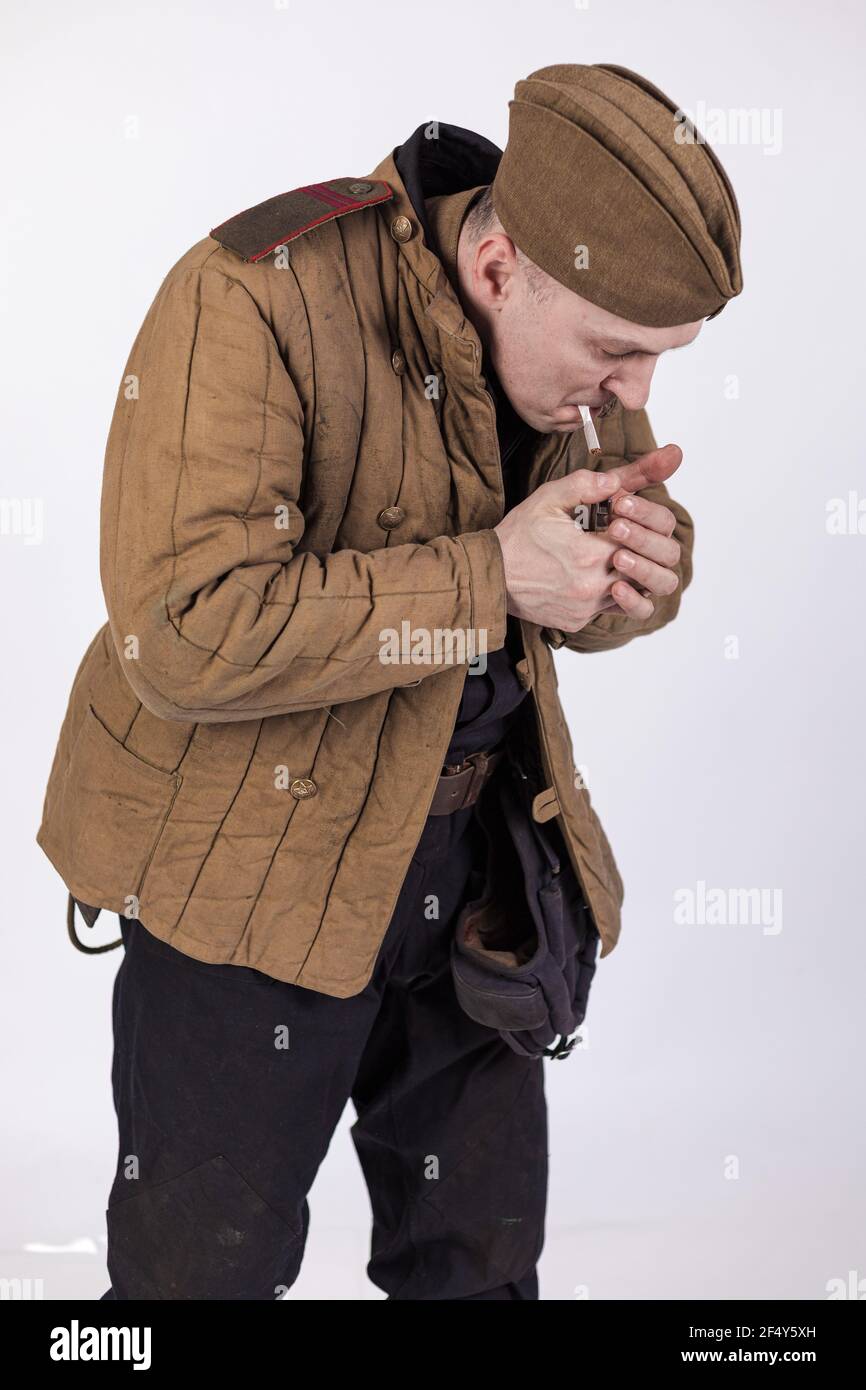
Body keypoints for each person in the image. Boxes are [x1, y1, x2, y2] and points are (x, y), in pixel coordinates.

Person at [36, 63, 742, 1300]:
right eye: (617, 354)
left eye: (659, 360)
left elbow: (565, 591)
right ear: (495, 267)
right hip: (242, 884)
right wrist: (486, 578)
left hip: (474, 875)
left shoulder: (576, 329)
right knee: (195, 1283)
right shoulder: (251, 295)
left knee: (476, 1272)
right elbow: (183, 631)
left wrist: (638, 577)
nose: (631, 398)